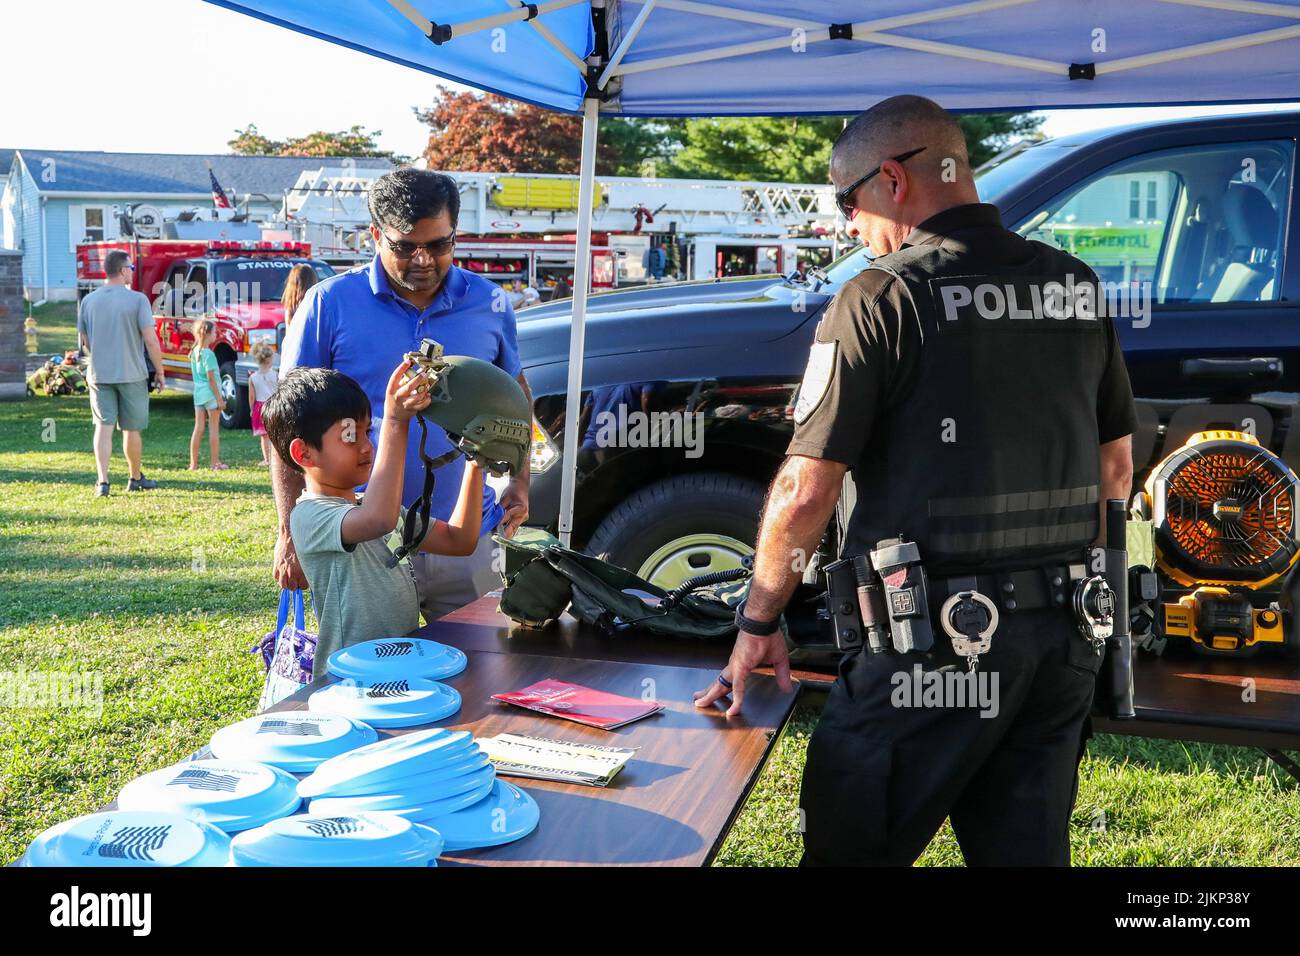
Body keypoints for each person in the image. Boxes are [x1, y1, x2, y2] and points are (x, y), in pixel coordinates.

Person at [693, 95, 1137, 866]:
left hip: (925, 652)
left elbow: (805, 489)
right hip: (1062, 643)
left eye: (848, 202)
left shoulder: (880, 297)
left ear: (893, 180)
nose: (850, 228)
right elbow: (1115, 470)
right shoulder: (1074, 283)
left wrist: (759, 623)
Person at [274, 167, 532, 619]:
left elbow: (515, 395)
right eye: (404, 246)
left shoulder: (490, 302)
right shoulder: (327, 305)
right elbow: (285, 424)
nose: (423, 260)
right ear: (375, 235)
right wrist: (289, 530)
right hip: (363, 538)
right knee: (377, 680)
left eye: (438, 244)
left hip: (468, 536)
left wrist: (521, 480)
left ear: (455, 234)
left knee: (481, 676)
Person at [262, 363, 485, 680]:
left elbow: (459, 540)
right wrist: (396, 420)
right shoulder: (309, 516)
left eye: (368, 431)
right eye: (350, 435)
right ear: (304, 453)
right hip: (352, 679)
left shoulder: (375, 506)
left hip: (402, 668)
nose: (367, 445)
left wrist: (476, 461)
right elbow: (378, 520)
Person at [77, 249, 166, 497]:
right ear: (123, 270)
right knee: (131, 428)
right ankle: (135, 477)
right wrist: (160, 371)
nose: (132, 273)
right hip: (132, 374)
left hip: (99, 374)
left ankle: (102, 482)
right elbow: (151, 340)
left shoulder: (88, 301)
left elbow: (85, 342)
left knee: (102, 427)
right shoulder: (137, 300)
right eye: (131, 268)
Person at [188, 318, 227, 471]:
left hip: (198, 394)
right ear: (208, 334)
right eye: (215, 332)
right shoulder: (209, 354)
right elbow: (211, 379)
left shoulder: (194, 351)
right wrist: (220, 400)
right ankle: (215, 462)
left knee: (198, 428)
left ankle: (193, 464)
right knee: (213, 429)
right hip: (211, 394)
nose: (216, 334)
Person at [248, 342, 279, 466]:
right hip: (273, 406)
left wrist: (251, 409)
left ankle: (267, 459)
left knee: (264, 436)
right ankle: (276, 459)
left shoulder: (253, 377)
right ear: (269, 359)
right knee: (275, 435)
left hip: (259, 407)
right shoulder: (275, 374)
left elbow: (251, 396)